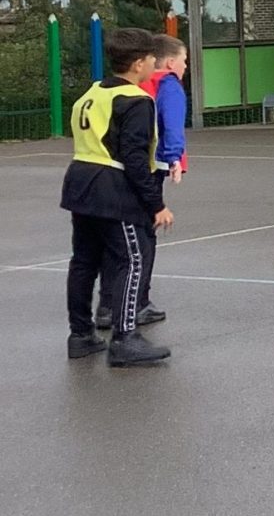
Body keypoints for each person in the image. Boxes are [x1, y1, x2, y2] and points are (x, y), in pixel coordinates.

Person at [62, 28, 174, 366]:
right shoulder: (136, 100)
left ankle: (80, 334)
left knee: (84, 261)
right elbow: (134, 157)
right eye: (153, 58)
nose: (156, 63)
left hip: (80, 180)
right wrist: (157, 204)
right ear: (139, 63)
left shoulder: (94, 92)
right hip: (111, 186)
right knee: (132, 259)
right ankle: (125, 338)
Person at [94, 34, 187, 329]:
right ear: (170, 62)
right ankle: (138, 303)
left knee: (115, 240)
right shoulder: (169, 85)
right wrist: (174, 158)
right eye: (184, 61)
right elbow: (172, 124)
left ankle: (107, 304)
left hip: (111, 166)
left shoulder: (123, 86)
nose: (185, 67)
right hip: (150, 164)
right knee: (143, 238)